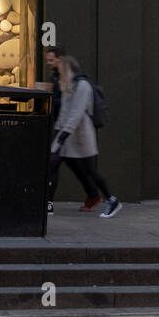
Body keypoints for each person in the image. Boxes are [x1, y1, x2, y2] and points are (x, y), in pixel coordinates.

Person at [49, 54, 121, 218]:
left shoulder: (82, 86)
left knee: (91, 172)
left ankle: (111, 200)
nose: (58, 71)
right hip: (70, 138)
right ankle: (100, 198)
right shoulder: (68, 85)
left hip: (82, 138)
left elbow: (76, 114)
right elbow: (65, 113)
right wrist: (59, 134)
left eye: (60, 68)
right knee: (62, 165)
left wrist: (61, 137)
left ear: (68, 68)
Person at [44, 46, 97, 210]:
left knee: (72, 165)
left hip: (69, 129)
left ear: (60, 59)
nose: (49, 63)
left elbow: (71, 106)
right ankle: (49, 202)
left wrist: (50, 98)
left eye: (52, 60)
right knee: (58, 163)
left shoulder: (74, 79)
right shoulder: (56, 75)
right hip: (61, 126)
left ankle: (99, 195)